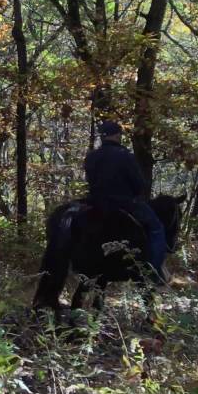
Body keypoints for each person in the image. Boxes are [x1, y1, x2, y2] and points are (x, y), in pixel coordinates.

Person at [84, 120, 167, 284]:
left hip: (94, 203)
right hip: (123, 204)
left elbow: (89, 180)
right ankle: (154, 273)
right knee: (157, 228)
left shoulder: (91, 156)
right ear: (117, 135)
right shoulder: (125, 156)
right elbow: (139, 185)